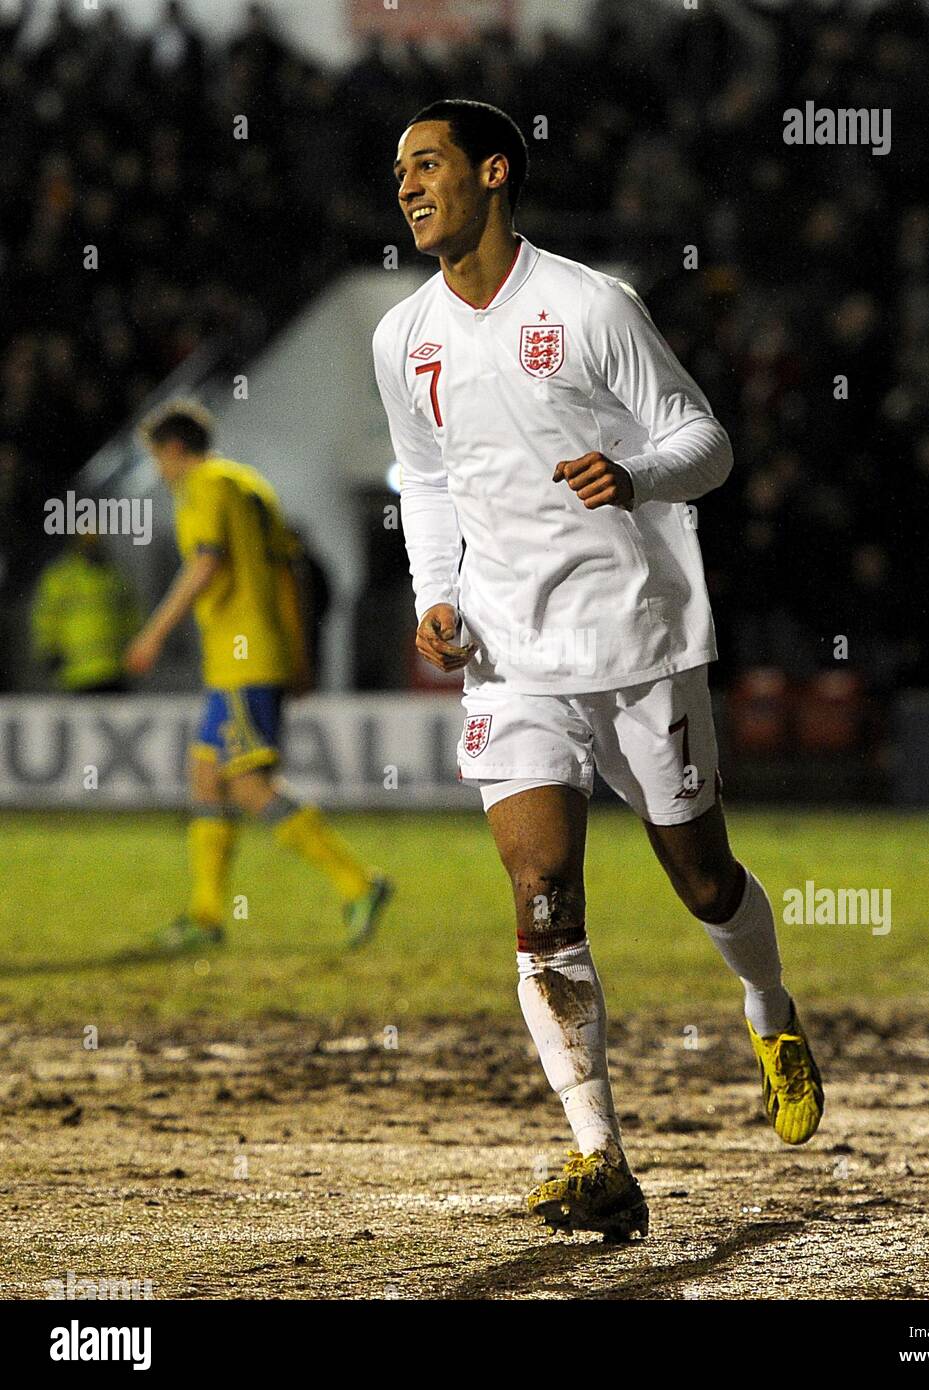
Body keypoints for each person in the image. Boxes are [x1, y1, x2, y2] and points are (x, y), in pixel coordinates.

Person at [373, 99, 823, 1241]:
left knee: (704, 881)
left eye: (427, 166)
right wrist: (435, 593)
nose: (408, 187)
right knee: (541, 905)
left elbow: (706, 440)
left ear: (493, 172)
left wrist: (633, 473)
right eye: (398, 172)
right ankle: (598, 1153)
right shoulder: (401, 335)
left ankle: (766, 1006)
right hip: (507, 656)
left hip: (633, 640)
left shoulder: (587, 304)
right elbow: (422, 478)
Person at [125, 400, 391, 951]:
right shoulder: (251, 486)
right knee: (206, 774)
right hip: (259, 654)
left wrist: (153, 634)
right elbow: (291, 571)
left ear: (175, 450)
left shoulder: (202, 488)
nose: (160, 470)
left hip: (240, 662)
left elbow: (206, 562)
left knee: (248, 784)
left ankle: (357, 883)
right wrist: (299, 654)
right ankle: (204, 916)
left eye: (158, 458)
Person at [31, 532, 140, 693]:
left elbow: (131, 616)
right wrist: (48, 651)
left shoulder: (114, 576)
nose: (91, 545)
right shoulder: (60, 578)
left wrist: (136, 647)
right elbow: (45, 618)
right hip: (76, 673)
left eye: (95, 540)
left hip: (113, 671)